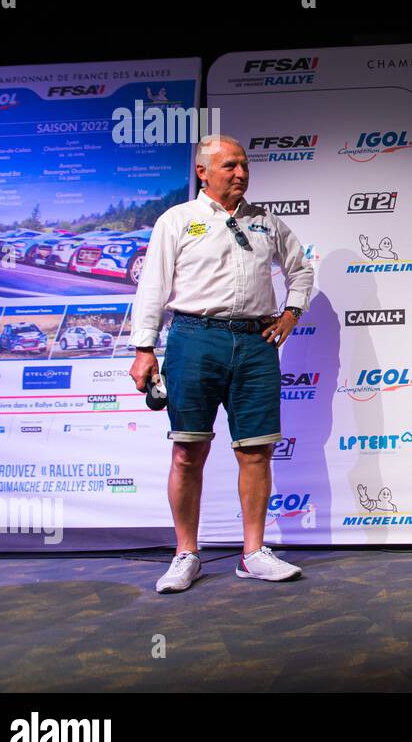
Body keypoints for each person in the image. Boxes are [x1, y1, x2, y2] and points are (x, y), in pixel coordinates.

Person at [129, 134, 315, 593]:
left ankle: (252, 553)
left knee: (255, 450)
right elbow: (152, 287)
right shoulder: (178, 220)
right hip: (194, 339)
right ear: (203, 172)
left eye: (244, 165)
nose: (240, 173)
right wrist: (143, 348)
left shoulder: (266, 220)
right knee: (187, 452)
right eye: (229, 165)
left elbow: (301, 269)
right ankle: (186, 554)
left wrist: (291, 313)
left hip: (254, 344)